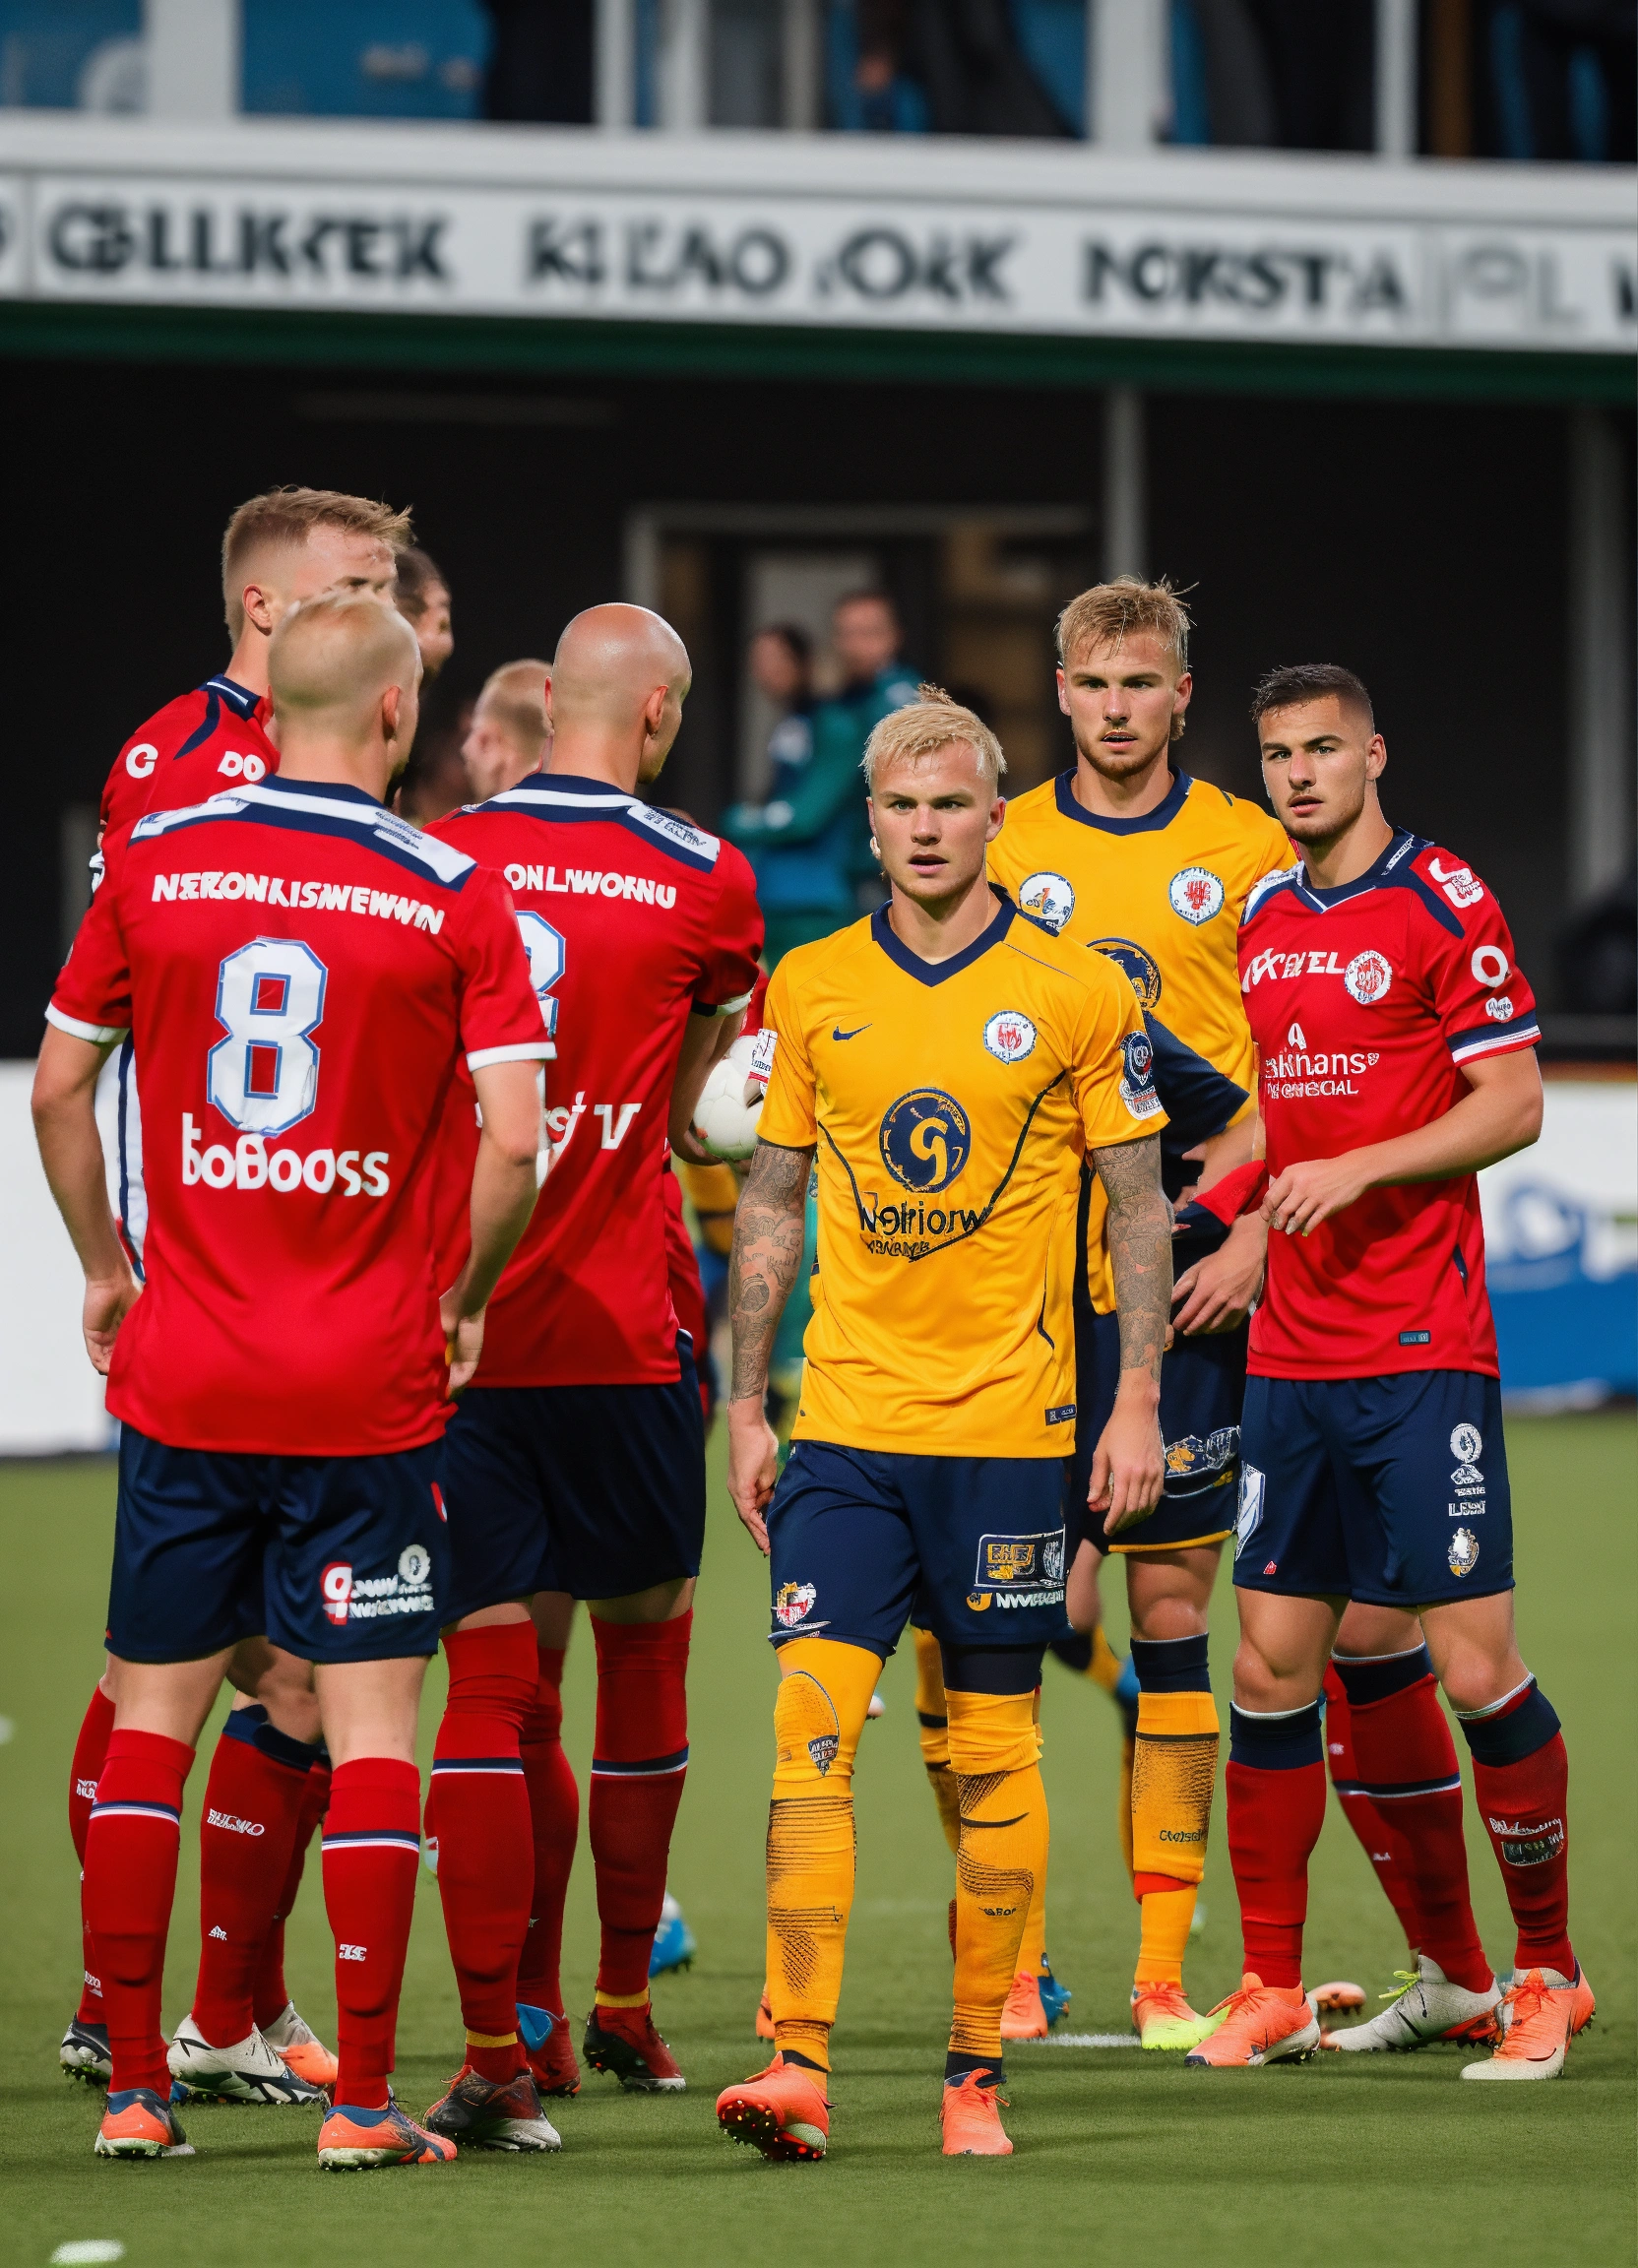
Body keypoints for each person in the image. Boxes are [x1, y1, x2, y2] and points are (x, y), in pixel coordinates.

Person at [34, 592, 549, 2165]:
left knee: (151, 1717)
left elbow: (61, 1086)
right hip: (366, 1380)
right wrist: (458, 1294)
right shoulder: (454, 885)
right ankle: (365, 2106)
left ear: (269, 711)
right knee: (380, 1720)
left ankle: (133, 2088)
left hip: (186, 1370)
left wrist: (107, 1267)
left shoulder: (164, 861)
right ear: (397, 716)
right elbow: (518, 1141)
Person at [713, 690, 1172, 2162]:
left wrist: (1139, 1400)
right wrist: (741, 1401)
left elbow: (1142, 1211)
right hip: (845, 1429)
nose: (925, 831)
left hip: (1011, 1439)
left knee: (992, 1754)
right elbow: (771, 1205)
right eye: (900, 809)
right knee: (808, 1733)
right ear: (871, 823)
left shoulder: (1082, 991)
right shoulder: (811, 984)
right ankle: (795, 2062)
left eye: (952, 807)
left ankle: (975, 2070)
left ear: (993, 818)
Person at [1192, 662, 1591, 2077]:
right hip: (1294, 1354)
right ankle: (1287, 1983)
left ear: (1375, 754)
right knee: (1277, 1660)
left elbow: (1518, 1099)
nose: (1298, 774)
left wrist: (1354, 1167)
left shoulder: (1442, 899)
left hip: (1421, 1346)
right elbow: (1268, 1113)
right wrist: (1213, 1209)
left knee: (1476, 1668)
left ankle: (1549, 1973)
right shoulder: (1262, 916)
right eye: (1278, 754)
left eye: (1322, 749)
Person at [62, 486, 411, 2099]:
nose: (384, 611)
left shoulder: (241, 767)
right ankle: (161, 2004)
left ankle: (191, 2008)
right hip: (243, 1275)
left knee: (210, 1667)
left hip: (223, 1288)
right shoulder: (191, 771)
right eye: (357, 587)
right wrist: (113, 1258)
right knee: (215, 1670)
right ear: (270, 613)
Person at [416, 604, 762, 2142]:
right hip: (629, 1338)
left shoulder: (437, 858)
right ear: (666, 715)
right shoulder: (703, 876)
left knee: (495, 1697)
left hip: (467, 1337)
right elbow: (706, 1111)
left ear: (548, 700)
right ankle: (624, 2002)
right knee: (644, 1679)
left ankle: (508, 2034)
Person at [987, 578, 1294, 2048]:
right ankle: (1018, 1967)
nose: (1116, 707)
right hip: (1018, 1275)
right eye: (1093, 683)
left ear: (1184, 696)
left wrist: (1232, 1235)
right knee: (996, 1614)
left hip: (1180, 1273)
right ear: (1059, 691)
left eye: (1143, 684)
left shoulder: (1249, 844)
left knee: (1173, 1605)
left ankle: (1161, 1978)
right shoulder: (1001, 839)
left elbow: (1295, 1066)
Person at [723, 592, 919, 966]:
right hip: (842, 877)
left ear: (895, 636)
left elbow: (808, 815)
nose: (855, 646)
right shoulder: (843, 703)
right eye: (845, 634)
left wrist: (738, 820)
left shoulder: (898, 706)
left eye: (869, 632)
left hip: (862, 881)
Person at [460, 658, 551, 803]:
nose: (465, 749)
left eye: (473, 732)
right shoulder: (592, 819)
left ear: (487, 742)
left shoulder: (455, 825)